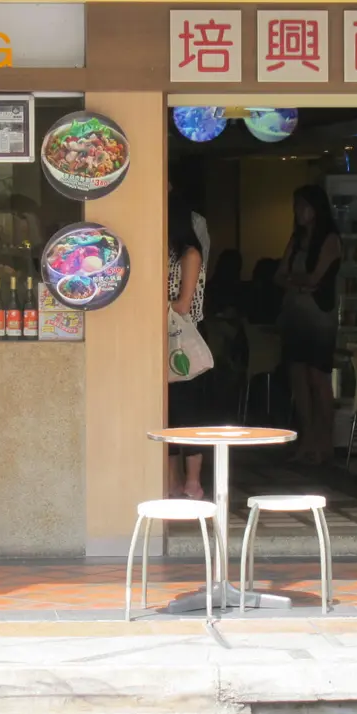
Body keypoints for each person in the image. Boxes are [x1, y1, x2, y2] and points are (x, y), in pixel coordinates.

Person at [275, 185, 342, 466]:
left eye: (303, 206)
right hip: (294, 314)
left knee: (318, 377)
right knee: (298, 377)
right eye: (296, 206)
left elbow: (315, 279)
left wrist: (296, 281)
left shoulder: (329, 240)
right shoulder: (297, 238)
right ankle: (306, 437)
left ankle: (324, 440)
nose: (298, 212)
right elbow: (279, 275)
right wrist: (297, 282)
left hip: (319, 316)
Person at [167, 193, 208, 500]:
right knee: (167, 415)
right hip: (166, 340)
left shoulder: (189, 254)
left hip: (184, 340)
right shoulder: (167, 253)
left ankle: (192, 482)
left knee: (188, 413)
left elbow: (183, 305)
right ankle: (172, 482)